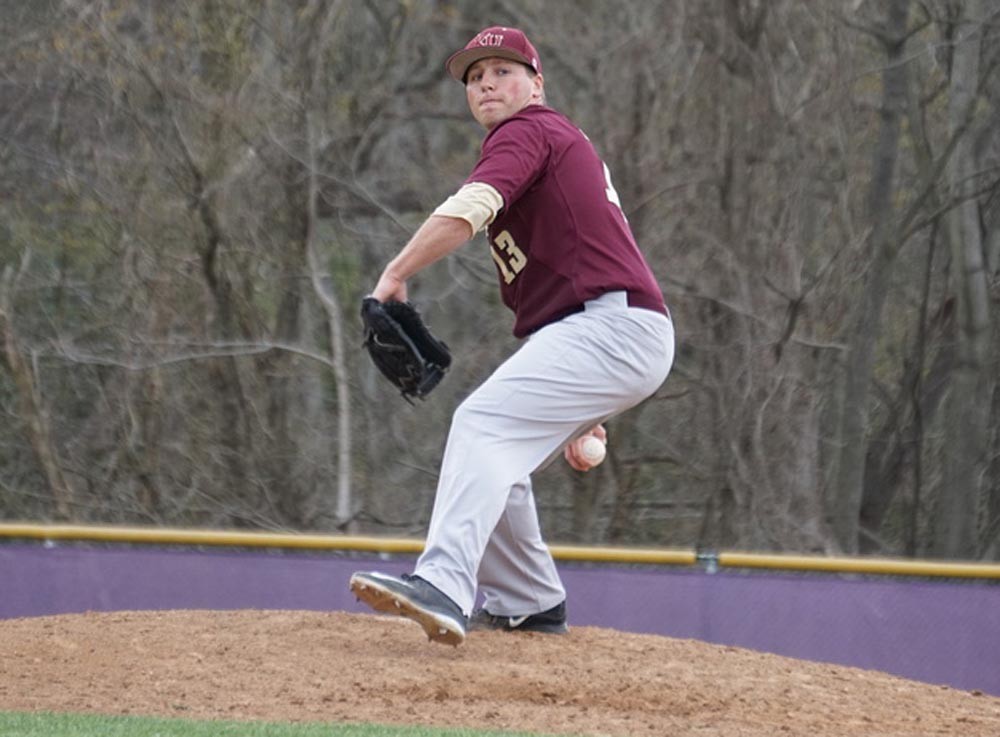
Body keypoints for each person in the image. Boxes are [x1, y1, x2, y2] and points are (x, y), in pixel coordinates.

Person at [349, 26, 674, 645]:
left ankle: (443, 583)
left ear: (536, 84)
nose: (486, 84)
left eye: (502, 70)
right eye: (475, 77)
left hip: (612, 325)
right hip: (611, 328)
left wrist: (396, 272)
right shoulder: (551, 142)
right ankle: (528, 599)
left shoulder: (528, 131)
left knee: (481, 426)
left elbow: (473, 206)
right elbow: (584, 266)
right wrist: (587, 414)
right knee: (501, 455)